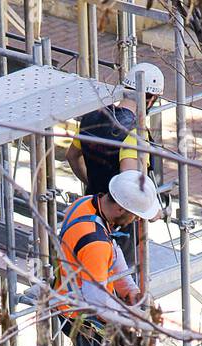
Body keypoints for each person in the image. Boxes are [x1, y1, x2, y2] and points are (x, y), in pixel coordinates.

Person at [51, 169, 162, 346]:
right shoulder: (94, 241)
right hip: (83, 317)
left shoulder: (88, 204)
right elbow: (97, 302)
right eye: (134, 215)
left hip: (78, 300)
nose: (136, 220)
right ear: (121, 210)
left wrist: (130, 291)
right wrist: (134, 317)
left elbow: (113, 252)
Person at [65, 62, 164, 258]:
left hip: (91, 205)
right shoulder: (135, 134)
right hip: (120, 219)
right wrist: (153, 212)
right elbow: (130, 189)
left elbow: (72, 156)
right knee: (119, 274)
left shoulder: (92, 116)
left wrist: (92, 182)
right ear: (151, 99)